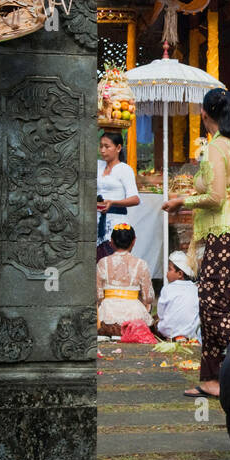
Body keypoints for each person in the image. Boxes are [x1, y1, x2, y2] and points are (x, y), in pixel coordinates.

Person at [162, 90, 230, 399]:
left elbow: (216, 198)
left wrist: (183, 200)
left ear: (204, 114)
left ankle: (222, 377)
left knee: (214, 301)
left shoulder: (215, 148)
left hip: (226, 232)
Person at [96, 223, 154, 334]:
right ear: (134, 241)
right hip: (134, 318)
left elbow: (98, 296)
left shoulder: (103, 263)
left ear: (111, 242)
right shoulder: (141, 264)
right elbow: (149, 298)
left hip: (107, 317)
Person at [97, 131, 139, 261]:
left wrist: (113, 202)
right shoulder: (98, 166)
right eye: (101, 146)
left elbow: (135, 199)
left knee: (114, 260)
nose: (103, 150)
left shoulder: (124, 169)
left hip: (115, 221)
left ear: (118, 148)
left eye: (107, 146)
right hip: (97, 219)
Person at [155, 250, 200, 341]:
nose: (167, 273)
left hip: (169, 334)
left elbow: (161, 314)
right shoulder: (196, 289)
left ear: (180, 274)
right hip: (190, 335)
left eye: (169, 269)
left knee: (156, 323)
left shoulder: (167, 289)